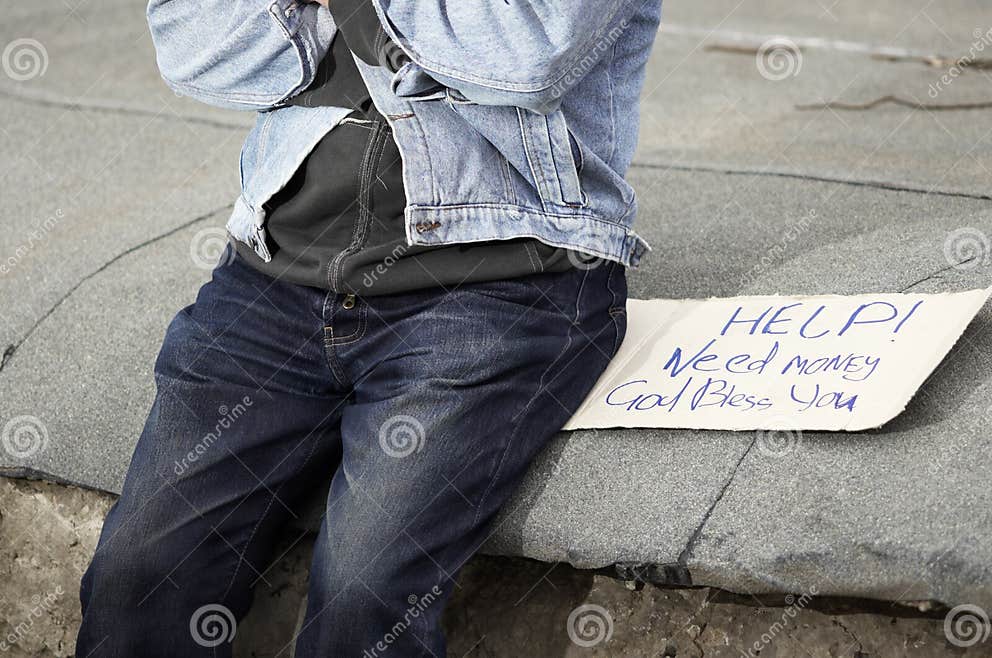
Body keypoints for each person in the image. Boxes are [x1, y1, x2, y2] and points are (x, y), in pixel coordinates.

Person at [75, 0, 662, 655]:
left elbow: (524, 54)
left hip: (496, 284)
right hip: (276, 274)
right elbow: (204, 48)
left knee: (364, 593)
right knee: (141, 571)